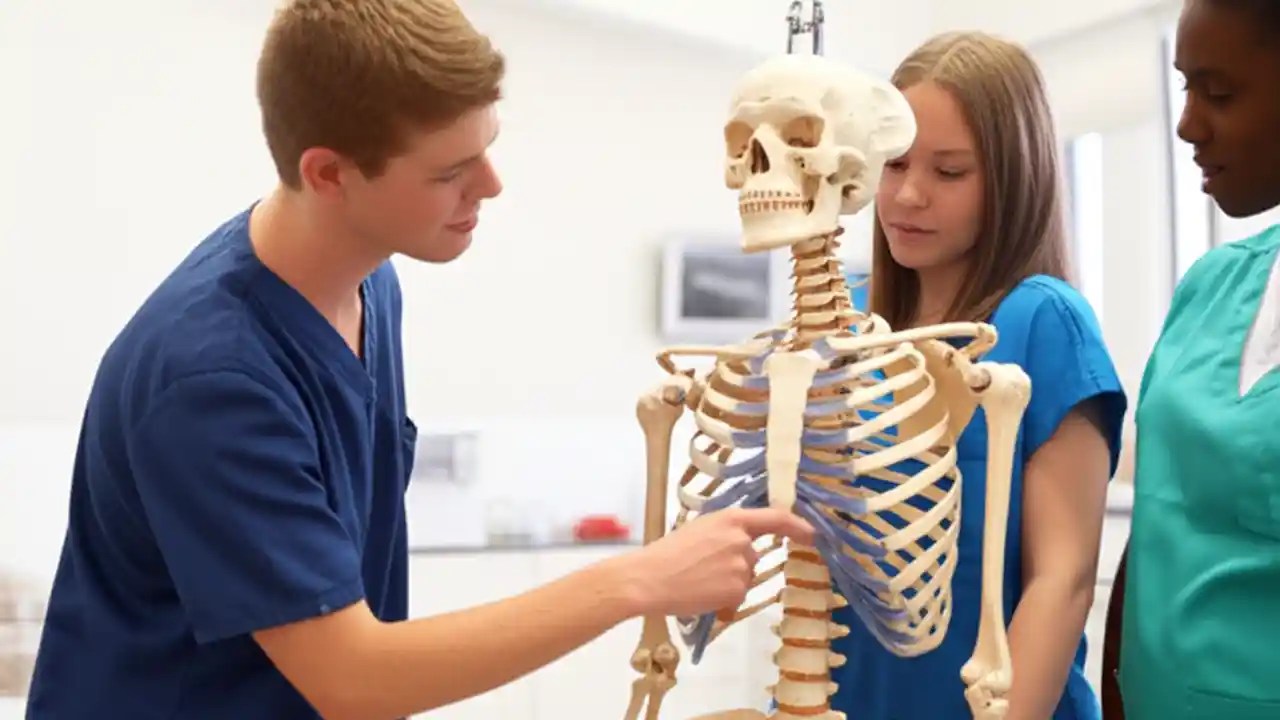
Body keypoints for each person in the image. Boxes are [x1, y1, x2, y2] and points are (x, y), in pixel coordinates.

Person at [23, 2, 815, 718]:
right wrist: (639, 580)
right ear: (328, 173)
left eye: (486, 150)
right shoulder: (212, 379)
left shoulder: (373, 283)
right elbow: (354, 679)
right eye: (449, 173)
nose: (492, 186)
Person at [828, 31, 1129, 720]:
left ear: (1013, 177)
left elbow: (1064, 578)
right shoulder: (850, 318)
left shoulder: (1044, 322)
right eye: (895, 164)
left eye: (949, 171)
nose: (907, 195)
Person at [1110, 1, 1280, 718]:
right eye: (1185, 88)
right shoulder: (1212, 285)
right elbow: (1157, 516)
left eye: (1219, 92)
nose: (1186, 124)